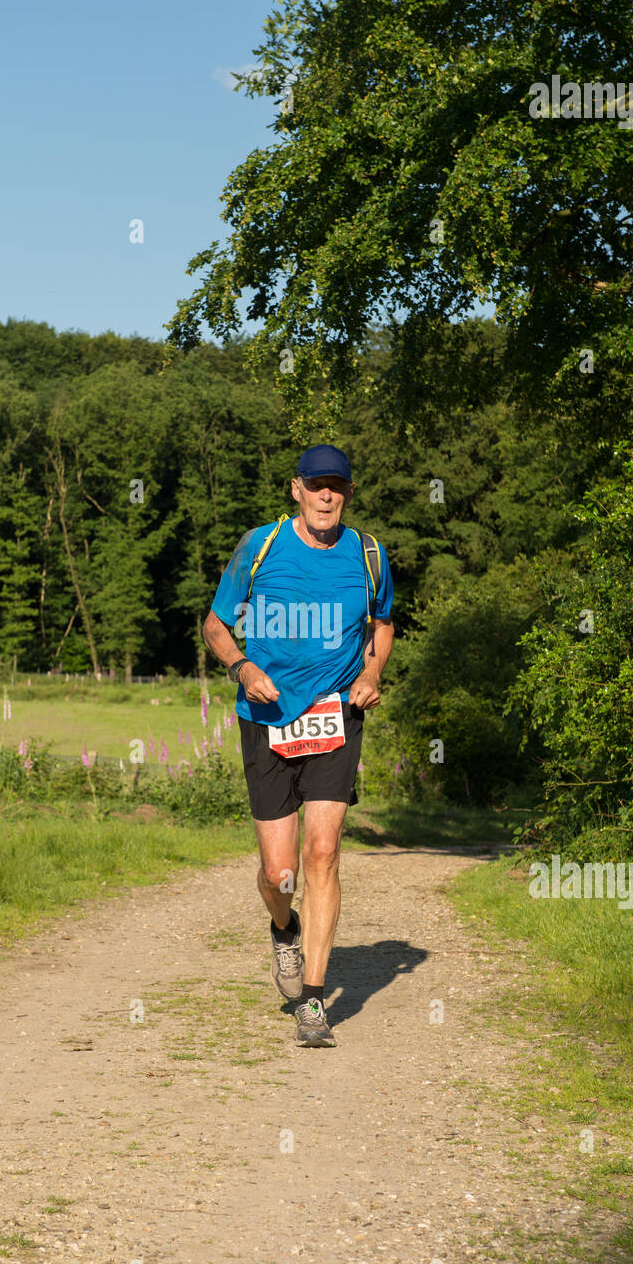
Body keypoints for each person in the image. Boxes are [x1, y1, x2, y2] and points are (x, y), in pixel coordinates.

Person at [202, 443, 395, 1047]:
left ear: (348, 493)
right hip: (266, 716)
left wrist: (371, 675)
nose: (326, 496)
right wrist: (241, 668)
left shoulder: (368, 556)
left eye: (336, 485)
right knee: (279, 872)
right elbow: (214, 624)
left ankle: (315, 1001)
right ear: (297, 490)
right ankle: (283, 931)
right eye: (317, 485)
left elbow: (383, 624)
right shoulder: (259, 548)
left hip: (335, 717)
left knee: (322, 854)